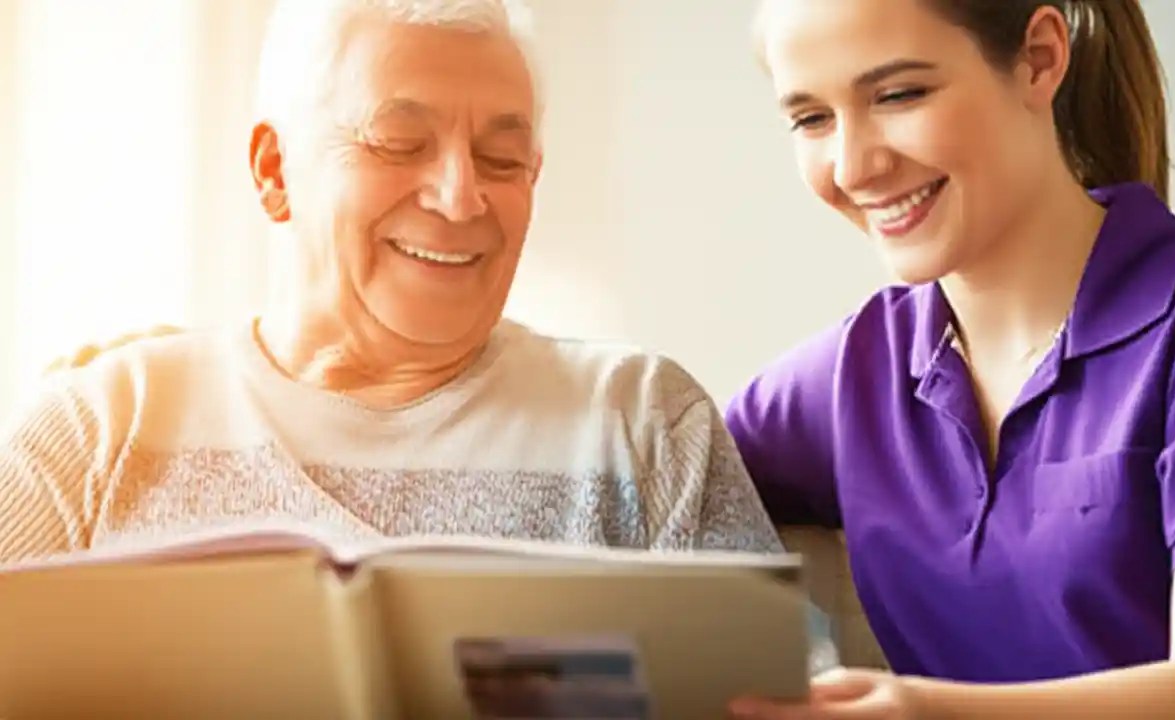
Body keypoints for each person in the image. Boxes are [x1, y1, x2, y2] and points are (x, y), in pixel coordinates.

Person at [0, 0, 784, 568]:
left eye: (502, 160)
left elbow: (782, 697)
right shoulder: (99, 427)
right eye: (398, 142)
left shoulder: (642, 421)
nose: (460, 196)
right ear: (275, 172)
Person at [725, 0, 1175, 718]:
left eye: (899, 95)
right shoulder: (847, 375)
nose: (854, 164)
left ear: (1041, 59)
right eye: (811, 119)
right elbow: (661, 468)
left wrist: (931, 712)